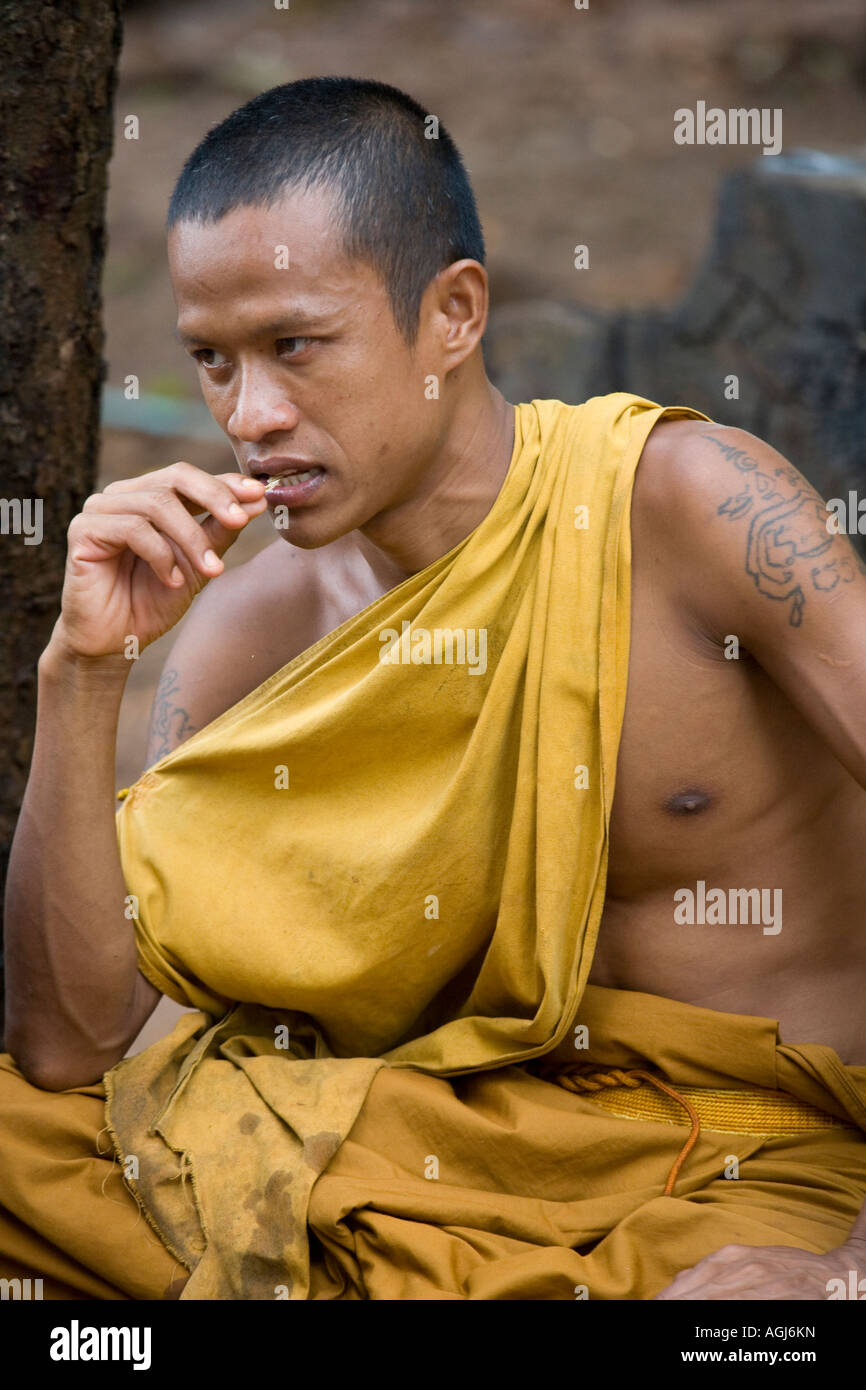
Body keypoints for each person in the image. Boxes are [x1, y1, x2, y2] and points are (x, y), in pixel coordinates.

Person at [2, 76, 864, 1302]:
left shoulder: (689, 506)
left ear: (453, 313)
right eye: (211, 360)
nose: (251, 414)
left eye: (295, 345)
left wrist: (843, 1273)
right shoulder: (250, 630)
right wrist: (84, 673)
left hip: (735, 1168)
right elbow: (65, 1044)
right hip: (405, 1157)